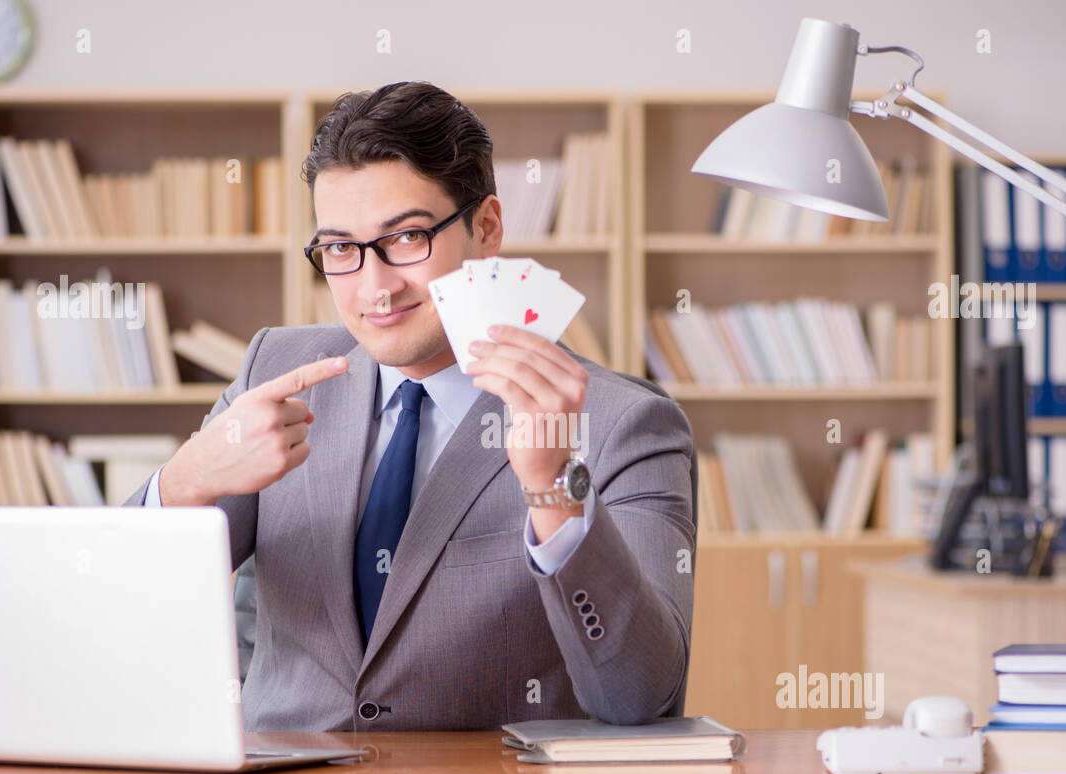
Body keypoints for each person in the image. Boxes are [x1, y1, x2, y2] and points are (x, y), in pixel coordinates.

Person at [123, 80, 695, 731]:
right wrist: (189, 477)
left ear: (485, 228)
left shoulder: (623, 425)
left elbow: (639, 695)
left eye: (406, 238)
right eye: (341, 248)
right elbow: (120, 604)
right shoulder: (275, 372)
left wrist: (553, 493)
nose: (376, 287)